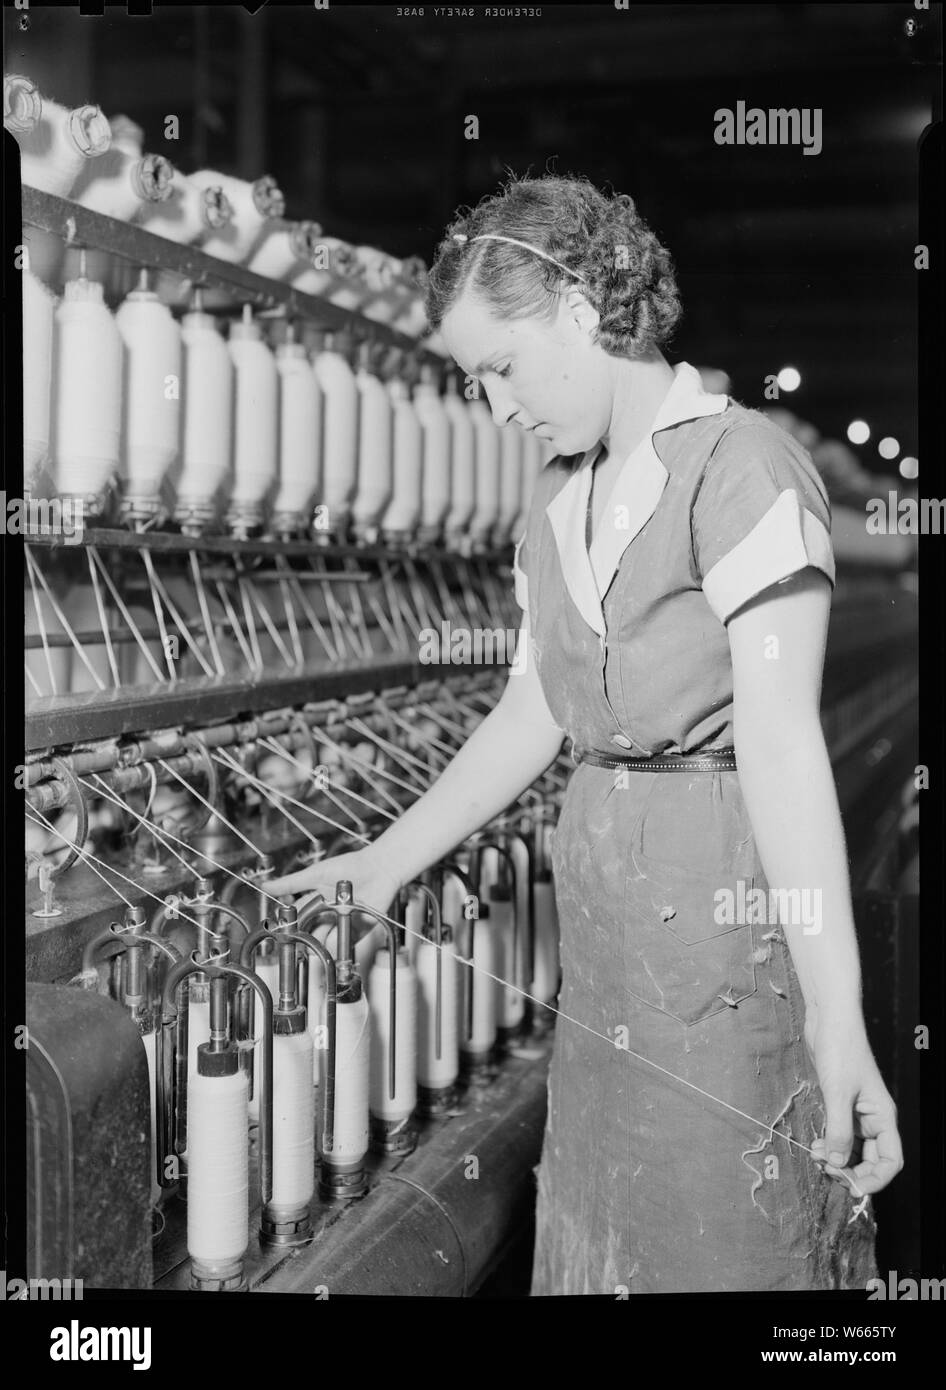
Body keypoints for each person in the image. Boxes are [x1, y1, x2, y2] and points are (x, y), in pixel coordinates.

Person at [268, 172, 903, 1294]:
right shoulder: (556, 505)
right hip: (606, 957)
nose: (496, 407)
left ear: (575, 307)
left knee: (724, 1233)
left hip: (725, 937)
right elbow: (533, 711)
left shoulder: (740, 468)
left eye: (499, 369)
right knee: (606, 1241)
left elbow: (785, 749)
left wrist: (841, 1018)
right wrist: (385, 860)